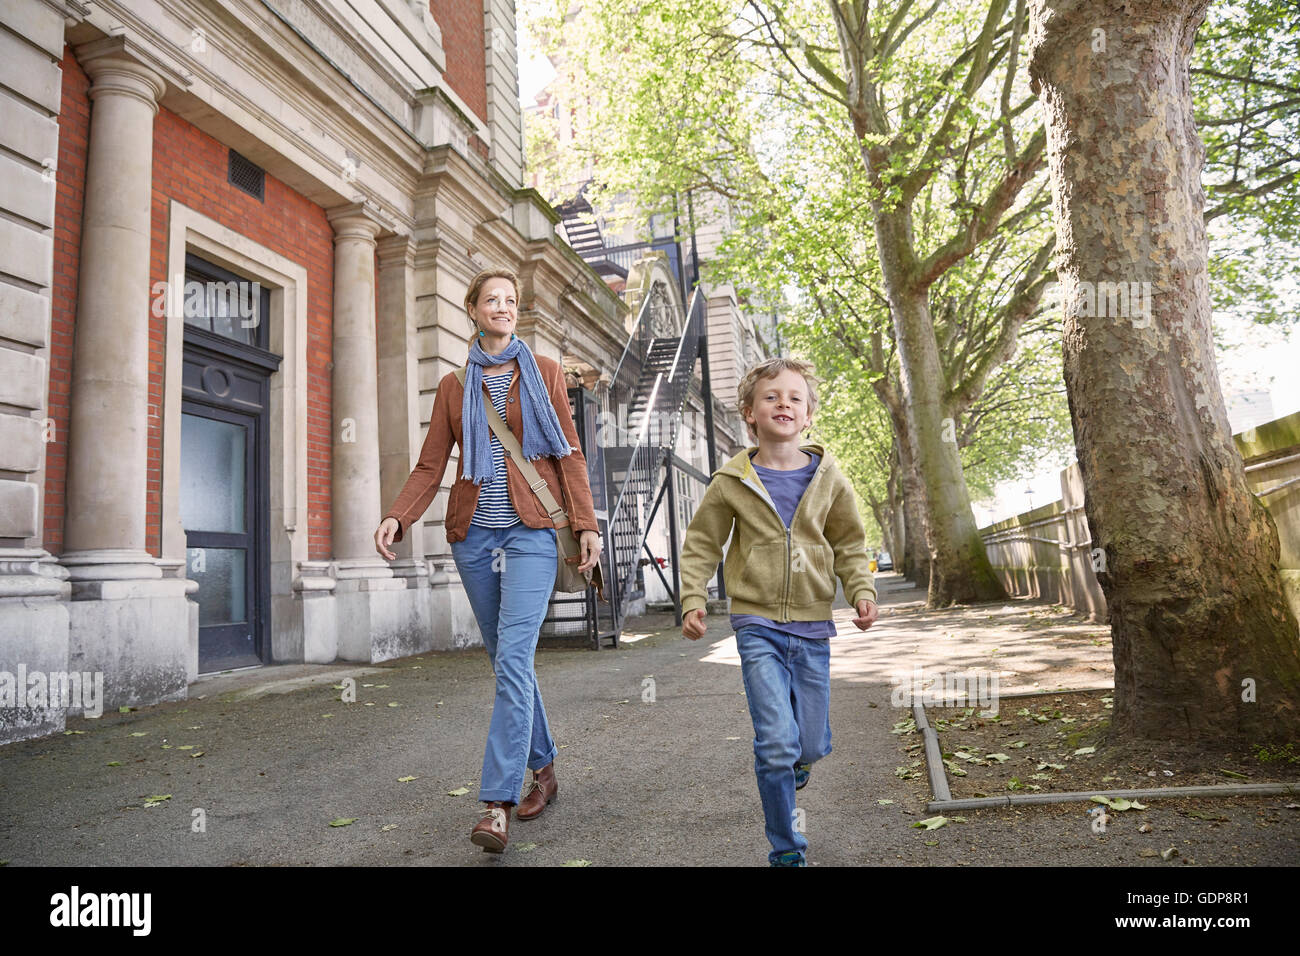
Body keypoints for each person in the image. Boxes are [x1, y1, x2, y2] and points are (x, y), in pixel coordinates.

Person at [374, 268, 601, 854]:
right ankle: (544, 768)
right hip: (473, 536)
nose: (503, 307)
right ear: (472, 309)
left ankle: (495, 802)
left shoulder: (545, 372)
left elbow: (570, 455)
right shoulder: (454, 386)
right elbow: (431, 465)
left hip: (530, 534)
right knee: (508, 662)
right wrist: (399, 515)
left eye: (511, 300)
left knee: (516, 652)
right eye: (492, 300)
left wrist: (587, 525)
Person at [677, 356, 879, 866]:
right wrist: (693, 599)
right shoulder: (730, 481)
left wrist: (861, 591)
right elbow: (702, 544)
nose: (782, 404)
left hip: (813, 623)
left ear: (809, 414)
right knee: (774, 743)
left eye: (794, 398)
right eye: (770, 397)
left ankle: (801, 761)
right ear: (750, 412)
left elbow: (850, 543)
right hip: (756, 623)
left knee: (808, 743)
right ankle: (786, 849)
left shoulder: (830, 478)